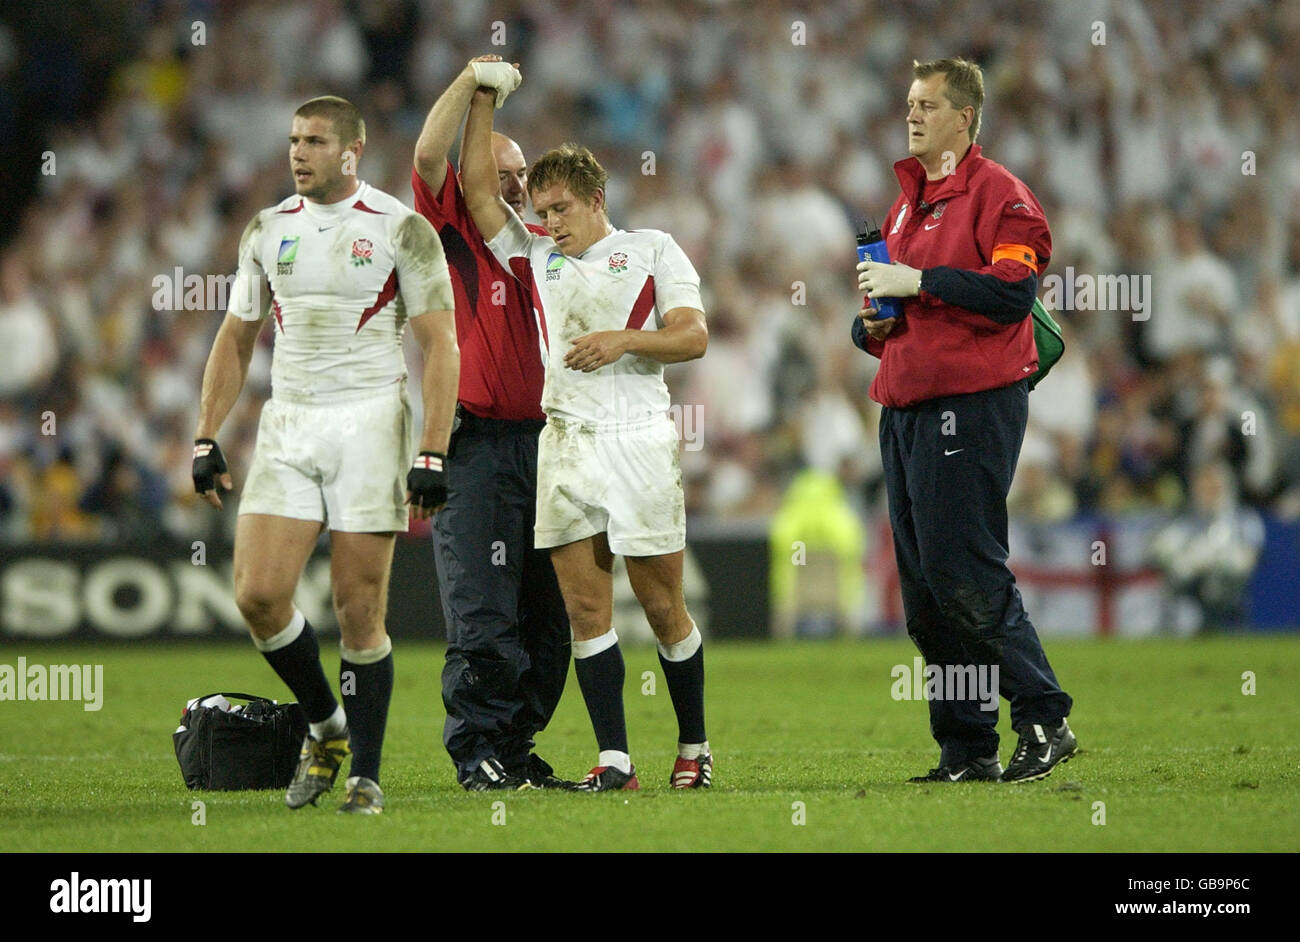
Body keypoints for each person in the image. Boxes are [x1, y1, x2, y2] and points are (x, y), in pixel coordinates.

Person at [191, 95, 458, 813]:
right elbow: (236, 336)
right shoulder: (266, 228)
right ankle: (326, 725)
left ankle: (366, 776)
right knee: (257, 593)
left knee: (357, 606)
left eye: (312, 141)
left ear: (352, 151)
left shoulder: (403, 230)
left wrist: (432, 450)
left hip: (371, 420)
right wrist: (207, 432)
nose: (297, 153)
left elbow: (440, 344)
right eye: (292, 140)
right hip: (290, 419)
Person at [461, 64, 712, 792]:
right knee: (583, 609)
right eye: (541, 209)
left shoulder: (654, 249)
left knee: (663, 605)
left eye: (563, 208)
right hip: (565, 441)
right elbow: (478, 189)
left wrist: (624, 341)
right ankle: (615, 761)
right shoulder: (537, 255)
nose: (550, 222)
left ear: (598, 199)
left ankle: (693, 745)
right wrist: (481, 97)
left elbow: (693, 337)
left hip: (639, 437)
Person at [852, 58, 1076, 783]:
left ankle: (1045, 716)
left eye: (927, 104)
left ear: (964, 119)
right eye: (909, 101)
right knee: (923, 592)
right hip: (905, 407)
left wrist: (916, 281)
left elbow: (1013, 293)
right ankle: (966, 747)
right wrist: (872, 328)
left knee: (963, 571)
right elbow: (893, 318)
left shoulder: (1002, 196)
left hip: (971, 405)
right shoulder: (905, 205)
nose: (912, 114)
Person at [411, 56, 572, 791]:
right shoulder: (455, 232)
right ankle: (477, 747)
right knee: (484, 610)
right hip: (474, 444)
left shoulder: (545, 250)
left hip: (550, 445)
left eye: (521, 174)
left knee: (550, 619)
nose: (510, 184)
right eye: (500, 171)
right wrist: (472, 84)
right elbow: (428, 156)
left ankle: (514, 745)